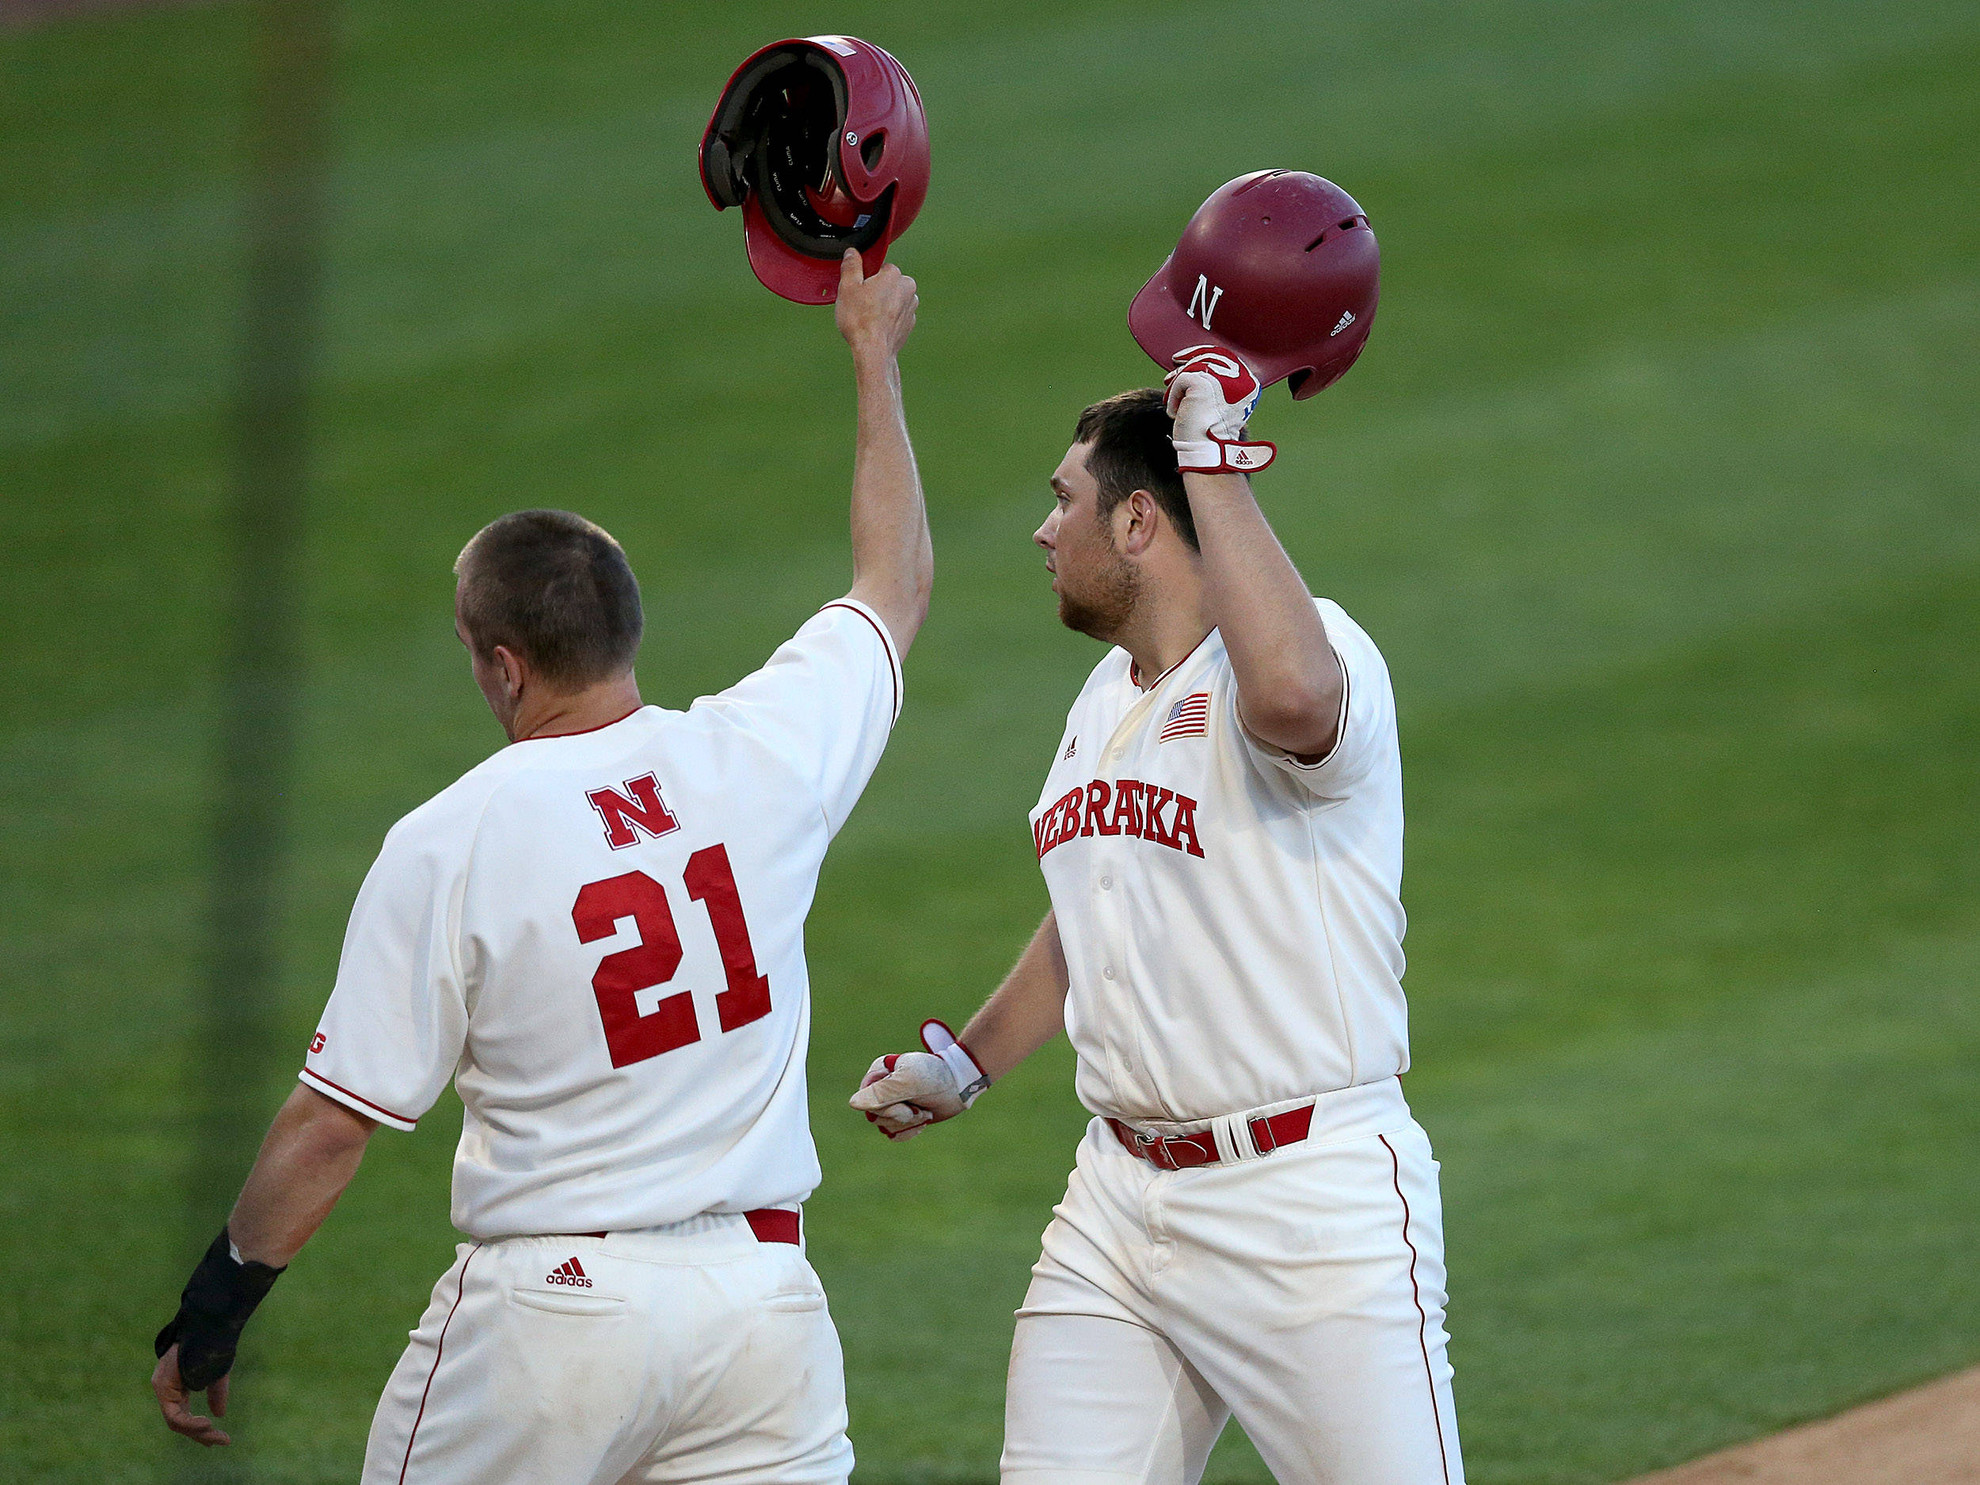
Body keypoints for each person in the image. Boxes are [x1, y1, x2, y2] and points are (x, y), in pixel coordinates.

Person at [151, 249, 929, 1485]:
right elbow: (893, 590)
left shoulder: (451, 837)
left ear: (502, 665)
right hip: (764, 1313)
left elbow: (331, 1129)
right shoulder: (760, 752)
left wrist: (219, 1302)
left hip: (553, 1324)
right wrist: (871, 355)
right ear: (626, 631)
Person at [851, 350, 1464, 1484]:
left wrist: (1211, 456)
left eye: (1063, 498)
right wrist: (966, 1064)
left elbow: (1290, 701)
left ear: (1139, 521)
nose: (1043, 530)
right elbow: (1093, 907)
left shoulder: (1299, 652)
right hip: (1117, 1209)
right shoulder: (1106, 697)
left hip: (1303, 1208)